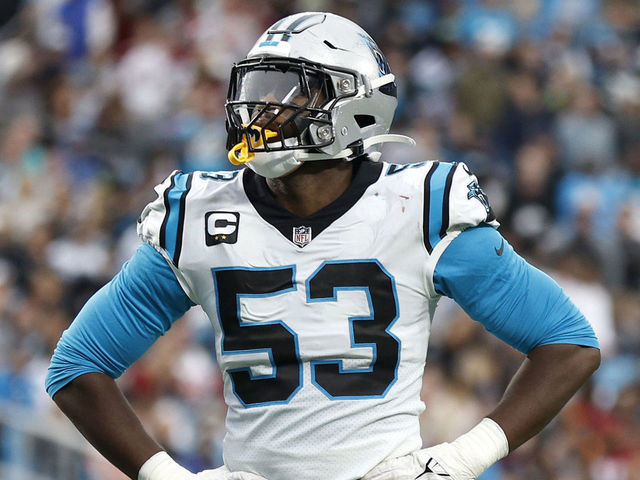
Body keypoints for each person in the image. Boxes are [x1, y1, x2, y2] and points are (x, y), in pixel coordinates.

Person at [45, 12, 600, 480]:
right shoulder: (201, 215)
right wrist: (165, 475)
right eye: (257, 90)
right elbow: (77, 366)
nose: (261, 110)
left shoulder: (418, 206)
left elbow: (567, 342)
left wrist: (463, 458)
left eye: (289, 92)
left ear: (357, 106)